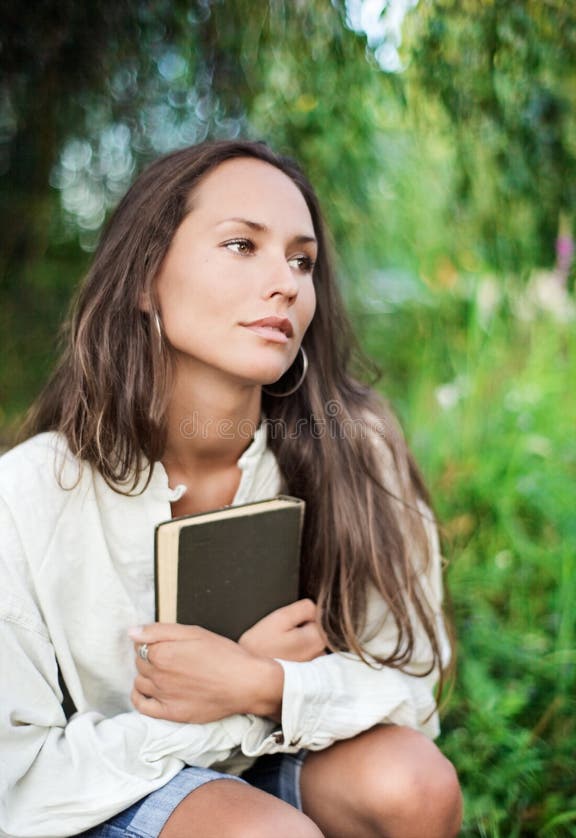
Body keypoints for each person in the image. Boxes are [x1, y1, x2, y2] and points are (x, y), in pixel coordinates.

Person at [0, 139, 462, 838]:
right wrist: (228, 702)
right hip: (101, 791)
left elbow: (412, 683)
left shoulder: (353, 452)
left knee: (416, 787)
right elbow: (21, 781)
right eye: (242, 245)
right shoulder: (28, 494)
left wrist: (259, 685)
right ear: (144, 277)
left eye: (302, 260)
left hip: (281, 750)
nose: (286, 283)